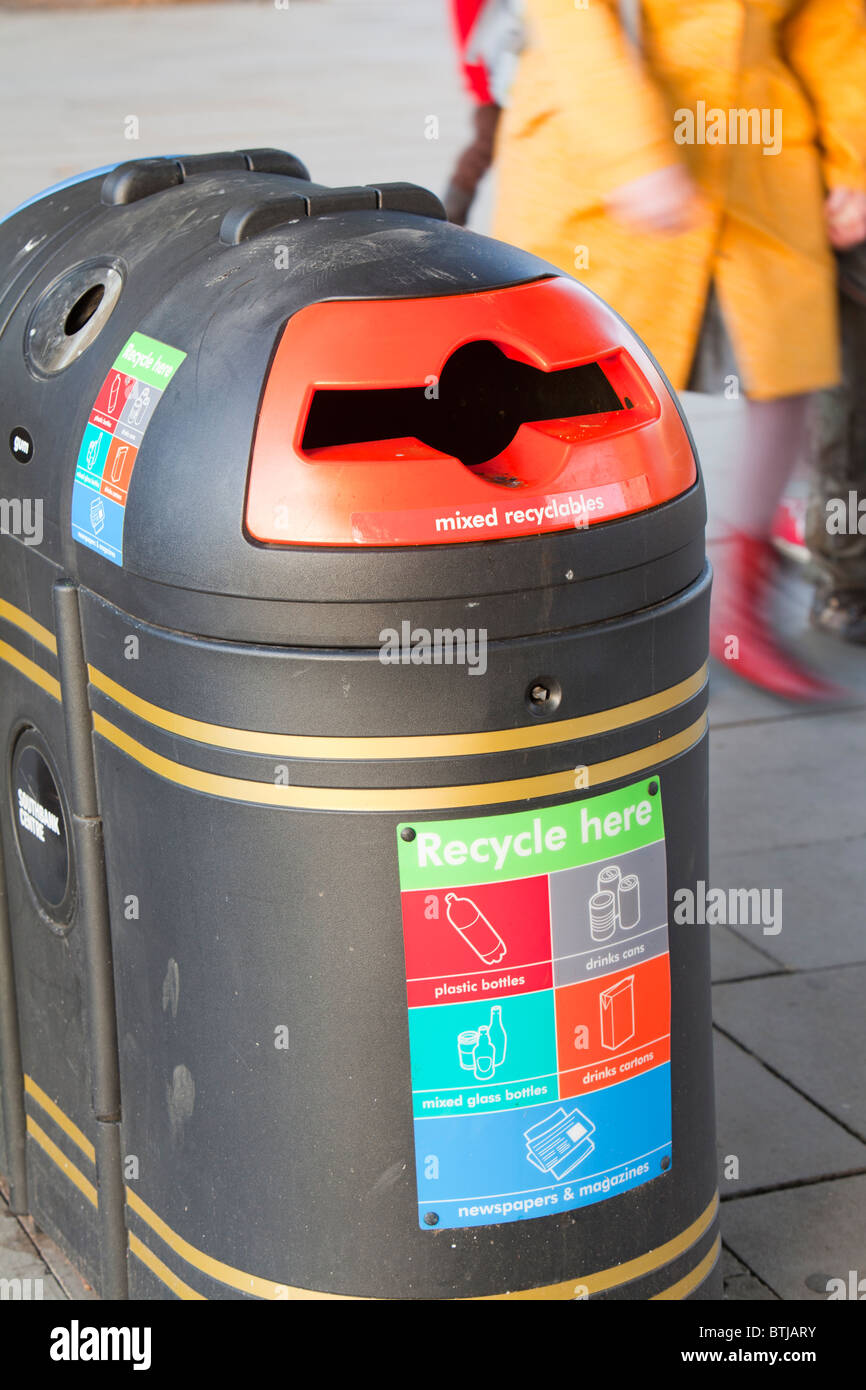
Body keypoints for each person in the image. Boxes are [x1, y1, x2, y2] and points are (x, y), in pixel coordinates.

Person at [492, 0, 866, 699]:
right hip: (602, 140)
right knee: (575, 389)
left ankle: (739, 611)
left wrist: (856, 155)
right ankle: (557, 609)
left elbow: (829, 21)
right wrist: (634, 154)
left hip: (758, 145)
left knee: (785, 373)